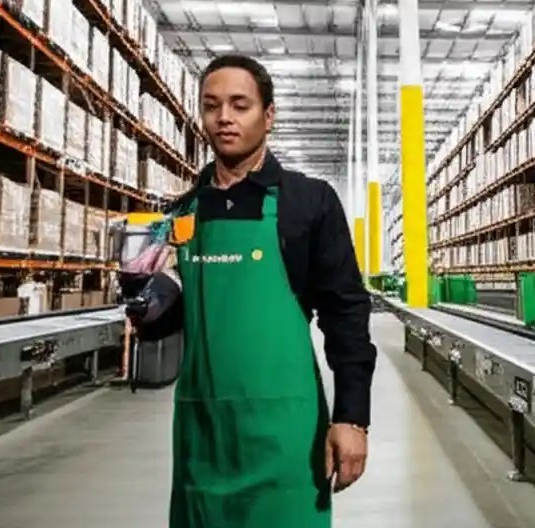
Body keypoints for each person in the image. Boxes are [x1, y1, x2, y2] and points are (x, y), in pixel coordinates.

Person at [124, 54, 376, 528]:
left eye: (240, 105)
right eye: (211, 105)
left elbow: (346, 312)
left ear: (269, 115)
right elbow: (172, 323)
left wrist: (352, 416)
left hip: (287, 433)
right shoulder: (180, 213)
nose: (224, 118)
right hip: (204, 431)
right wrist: (143, 296)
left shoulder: (309, 202)